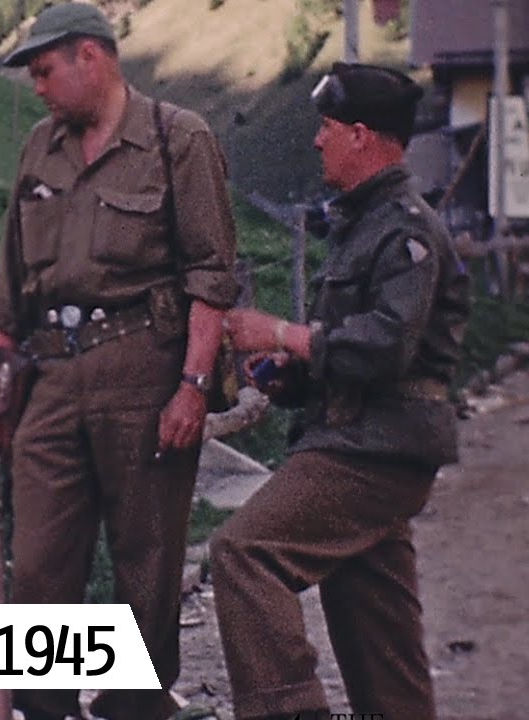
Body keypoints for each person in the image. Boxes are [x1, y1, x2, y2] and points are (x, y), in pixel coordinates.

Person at [0, 4, 239, 718]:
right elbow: (8, 286)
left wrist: (192, 386)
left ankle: (136, 705)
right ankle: (45, 705)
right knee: (37, 559)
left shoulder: (175, 138)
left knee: (147, 560)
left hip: (143, 369)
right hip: (52, 376)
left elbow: (212, 277)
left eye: (44, 71)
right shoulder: (40, 147)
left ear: (90, 57)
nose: (37, 88)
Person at [214, 62, 470, 720]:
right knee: (381, 646)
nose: (315, 141)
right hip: (364, 439)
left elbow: (387, 347)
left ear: (361, 136)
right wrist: (291, 371)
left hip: (373, 450)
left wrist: (281, 332)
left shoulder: (406, 232)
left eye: (326, 129)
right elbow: (348, 349)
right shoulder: (364, 224)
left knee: (245, 552)